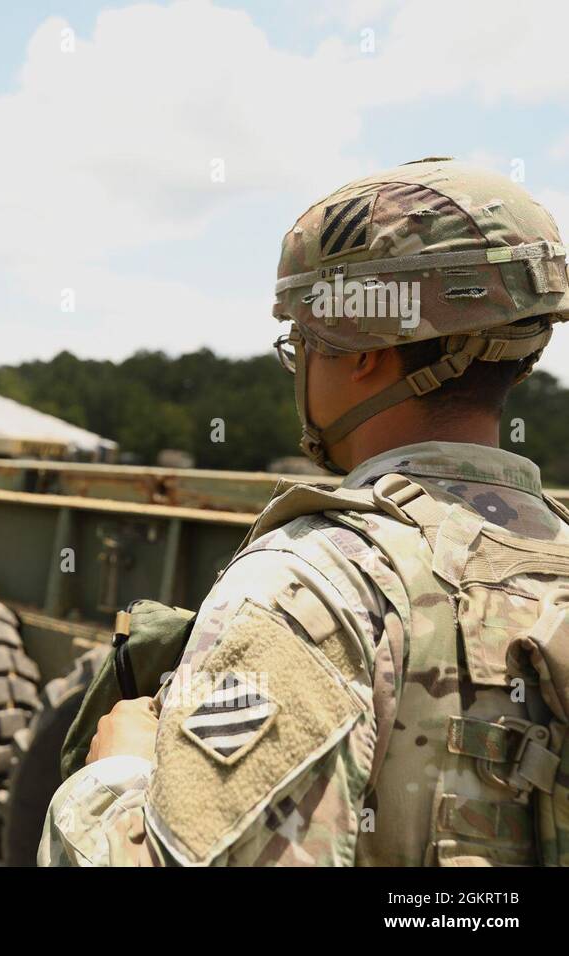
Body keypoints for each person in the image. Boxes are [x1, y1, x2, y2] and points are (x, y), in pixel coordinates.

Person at [40, 158, 569, 866]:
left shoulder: (312, 584)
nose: (298, 367)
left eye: (301, 342)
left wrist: (114, 776)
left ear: (360, 351)